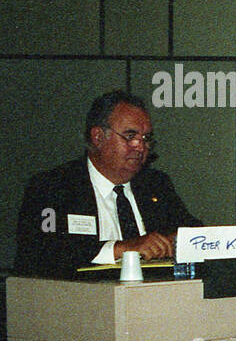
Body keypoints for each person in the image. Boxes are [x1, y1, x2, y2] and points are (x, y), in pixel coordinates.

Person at [14, 90, 201, 278]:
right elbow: (42, 251)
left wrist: (173, 242)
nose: (140, 146)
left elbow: (193, 232)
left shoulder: (155, 184)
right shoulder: (54, 187)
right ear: (98, 137)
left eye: (145, 138)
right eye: (130, 136)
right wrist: (122, 249)